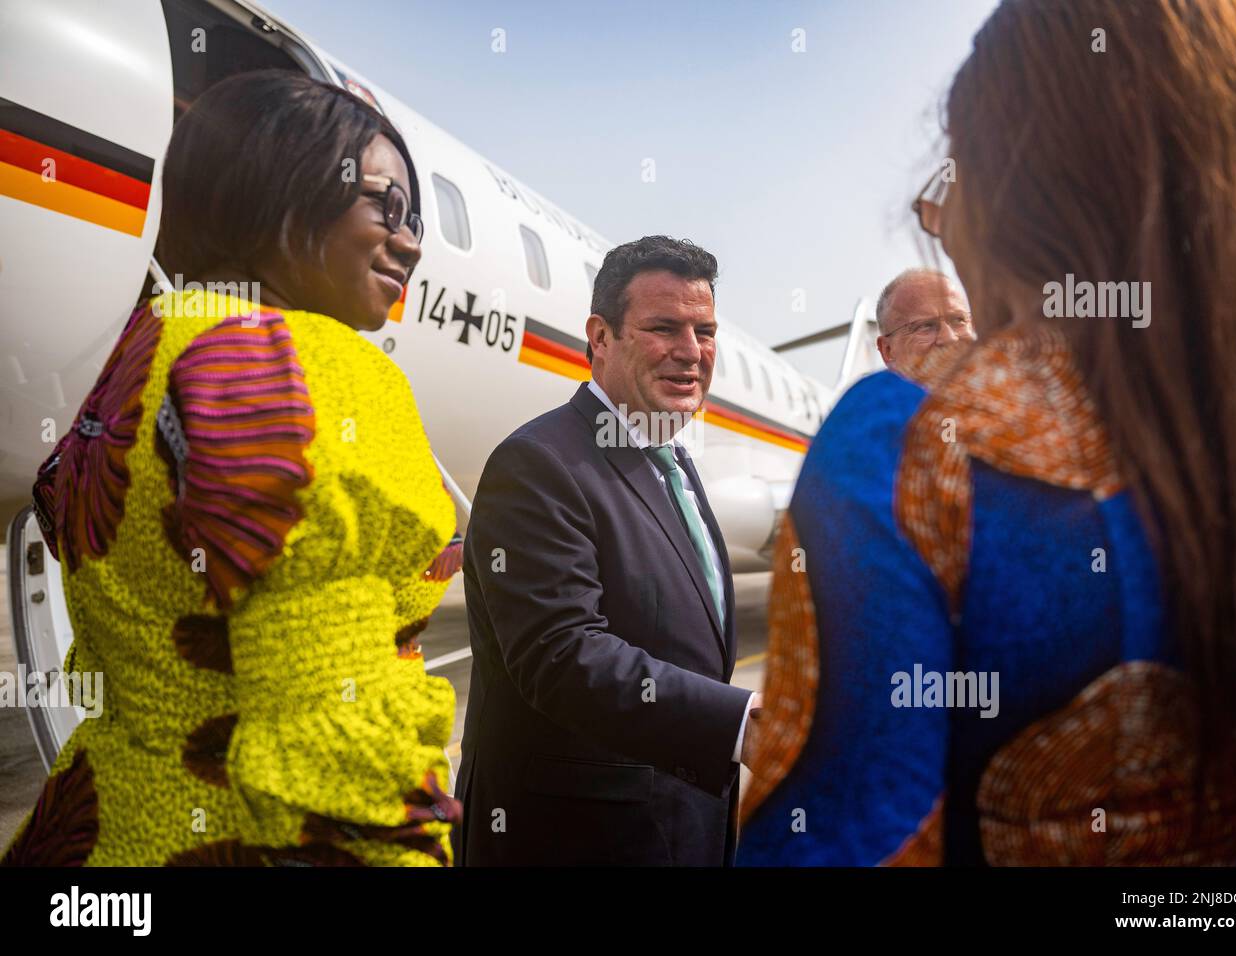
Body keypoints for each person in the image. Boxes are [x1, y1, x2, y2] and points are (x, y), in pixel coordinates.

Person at [739, 0, 1236, 865]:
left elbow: (849, 833)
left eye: (957, 181)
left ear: (1022, 196)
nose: (947, 230)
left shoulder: (907, 445)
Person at [2, 70, 462, 866]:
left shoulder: (137, 356)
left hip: (97, 834)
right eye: (383, 207)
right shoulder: (306, 364)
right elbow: (331, 737)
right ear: (280, 191)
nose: (413, 241)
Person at [454, 236, 760, 866]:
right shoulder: (540, 463)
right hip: (576, 839)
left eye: (704, 331)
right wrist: (740, 724)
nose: (691, 352)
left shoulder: (672, 462)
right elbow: (562, 654)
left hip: (674, 826)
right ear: (599, 337)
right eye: (662, 328)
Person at [873, 269, 975, 378]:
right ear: (888, 350)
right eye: (926, 326)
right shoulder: (865, 394)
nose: (949, 338)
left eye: (958, 320)